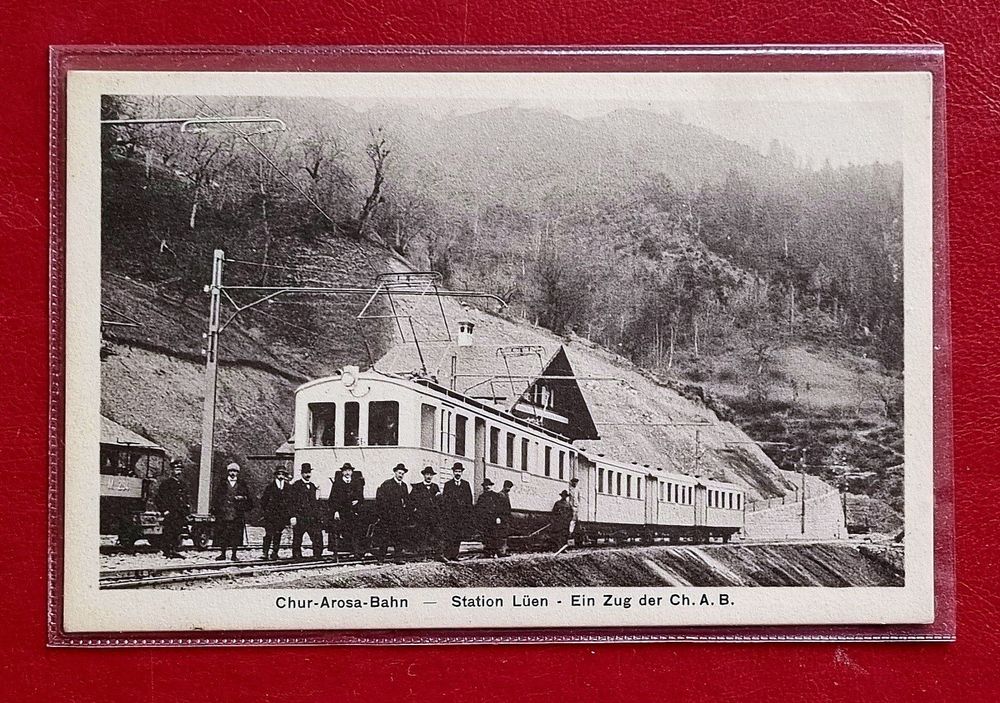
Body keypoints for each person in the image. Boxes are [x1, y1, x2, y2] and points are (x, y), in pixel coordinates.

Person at [210, 462, 254, 561]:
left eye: (234, 471)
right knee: (223, 534)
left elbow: (249, 498)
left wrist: (242, 498)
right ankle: (223, 553)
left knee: (236, 534)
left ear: (237, 473)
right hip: (224, 512)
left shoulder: (242, 484)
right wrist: (216, 509)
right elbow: (216, 497)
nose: (232, 473)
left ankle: (234, 554)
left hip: (236, 513)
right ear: (228, 472)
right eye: (231, 471)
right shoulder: (222, 483)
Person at [374, 463, 410, 564]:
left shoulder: (404, 486)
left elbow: (406, 501)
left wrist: (405, 513)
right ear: (395, 473)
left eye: (402, 473)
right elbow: (380, 500)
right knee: (384, 538)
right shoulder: (387, 484)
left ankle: (398, 558)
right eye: (399, 473)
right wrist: (383, 515)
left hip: (399, 517)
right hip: (388, 517)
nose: (401, 475)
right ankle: (381, 559)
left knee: (399, 538)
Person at [155, 458, 191, 559]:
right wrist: (164, 510)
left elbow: (186, 499)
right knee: (169, 532)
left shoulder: (183, 484)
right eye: (176, 469)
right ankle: (167, 551)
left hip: (180, 513)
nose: (178, 472)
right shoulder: (166, 484)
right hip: (170, 512)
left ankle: (174, 550)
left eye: (180, 470)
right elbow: (158, 498)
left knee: (178, 532)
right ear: (172, 471)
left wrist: (186, 511)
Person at [328, 462, 365, 558]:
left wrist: (358, 501)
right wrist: (335, 511)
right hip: (341, 512)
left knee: (354, 532)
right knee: (339, 531)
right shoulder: (337, 483)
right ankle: (337, 553)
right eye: (345, 471)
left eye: (349, 471)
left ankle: (355, 552)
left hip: (353, 512)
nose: (347, 473)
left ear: (352, 472)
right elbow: (332, 498)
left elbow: (361, 497)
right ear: (342, 472)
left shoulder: (356, 482)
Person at [439, 462, 473, 561]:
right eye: (456, 471)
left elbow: (469, 500)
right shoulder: (448, 485)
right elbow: (445, 501)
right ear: (453, 472)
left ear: (462, 473)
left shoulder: (466, 485)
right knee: (450, 535)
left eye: (459, 471)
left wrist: (468, 514)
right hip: (451, 516)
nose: (457, 473)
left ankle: (455, 555)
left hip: (461, 516)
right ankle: (448, 555)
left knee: (458, 536)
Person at [289, 463, 324, 559]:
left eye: (309, 473)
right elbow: (292, 502)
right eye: (305, 473)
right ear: (301, 473)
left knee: (316, 536)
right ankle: (297, 556)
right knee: (297, 538)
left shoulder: (313, 486)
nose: (308, 475)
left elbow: (315, 502)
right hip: (300, 516)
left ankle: (317, 555)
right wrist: (293, 516)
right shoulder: (296, 486)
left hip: (311, 517)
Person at [259, 466, 291, 560]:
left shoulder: (288, 487)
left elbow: (290, 501)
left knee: (278, 533)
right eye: (279, 474)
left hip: (282, 515)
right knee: (268, 533)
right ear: (276, 475)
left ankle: (275, 552)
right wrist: (266, 511)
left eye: (282, 474)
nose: (281, 476)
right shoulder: (270, 487)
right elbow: (264, 500)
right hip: (271, 515)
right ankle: (265, 552)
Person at [409, 466, 441, 558]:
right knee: (422, 534)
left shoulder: (435, 487)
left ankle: (432, 554)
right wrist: (415, 511)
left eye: (430, 475)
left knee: (433, 534)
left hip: (433, 516)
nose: (429, 477)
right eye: (427, 474)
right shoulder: (418, 487)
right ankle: (421, 554)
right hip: (421, 516)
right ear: (424, 475)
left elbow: (439, 501)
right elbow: (411, 500)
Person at [474, 478, 504, 558]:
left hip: (494, 519)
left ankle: (495, 552)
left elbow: (499, 508)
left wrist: (498, 517)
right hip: (485, 520)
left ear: (491, 486)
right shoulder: (482, 497)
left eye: (489, 485)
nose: (487, 487)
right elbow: (478, 508)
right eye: (485, 485)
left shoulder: (496, 495)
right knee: (486, 536)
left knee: (494, 536)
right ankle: (488, 552)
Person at [497, 480, 514, 556]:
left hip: (506, 518)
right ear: (505, 486)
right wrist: (498, 517)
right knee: (501, 535)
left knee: (504, 535)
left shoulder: (506, 494)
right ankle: (501, 552)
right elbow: (498, 508)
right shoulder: (501, 495)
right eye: (508, 487)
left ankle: (503, 551)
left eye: (510, 487)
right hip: (502, 518)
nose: (509, 489)